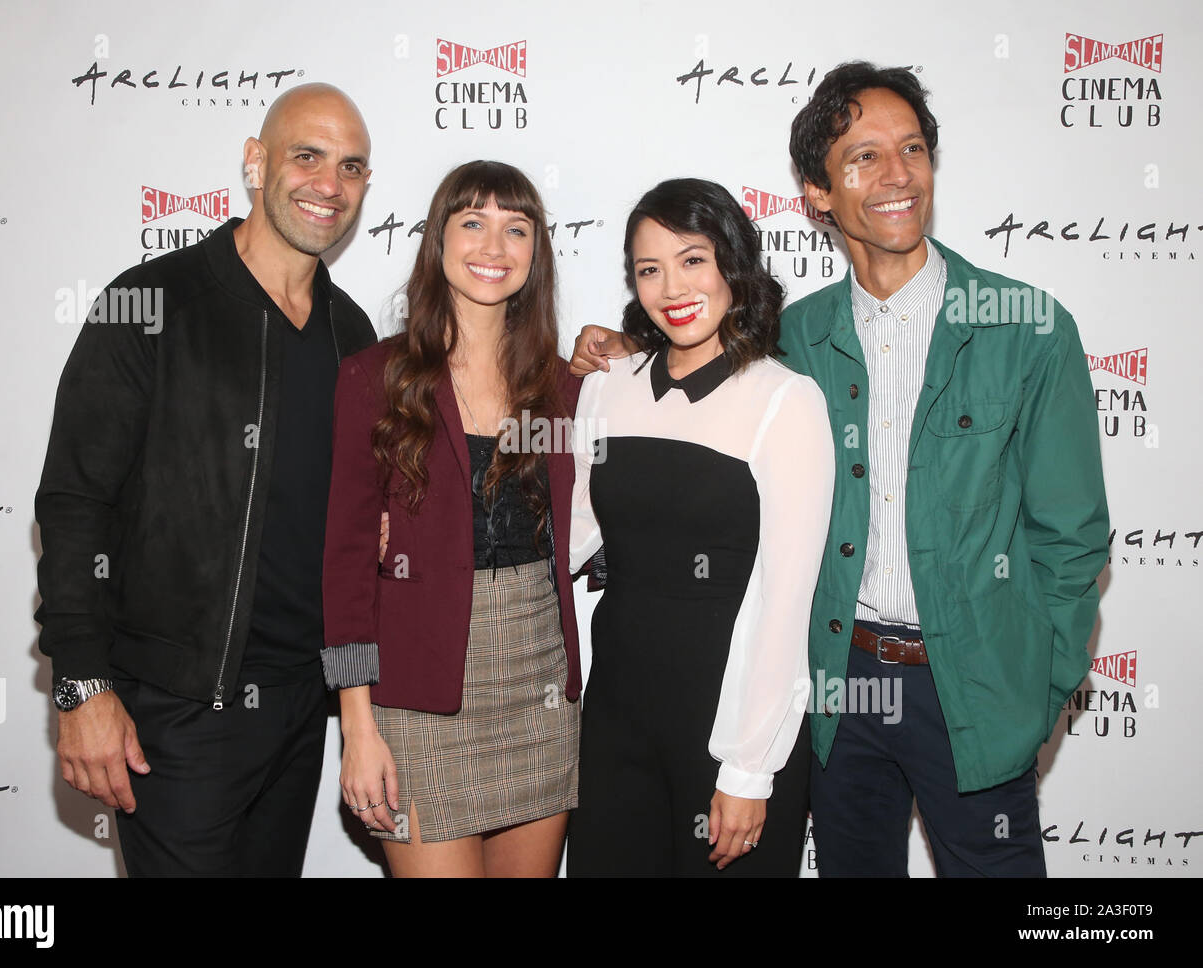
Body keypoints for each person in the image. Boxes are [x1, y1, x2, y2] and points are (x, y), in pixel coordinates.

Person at [572, 63, 1109, 877]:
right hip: (835, 686)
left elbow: (1072, 541)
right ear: (817, 194)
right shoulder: (790, 341)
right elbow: (693, 376)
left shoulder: (1027, 328)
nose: (897, 175)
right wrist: (620, 350)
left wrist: (1035, 692)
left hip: (973, 684)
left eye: (913, 150)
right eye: (863, 157)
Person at [35, 84, 377, 876]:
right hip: (177, 708)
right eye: (307, 155)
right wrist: (80, 686)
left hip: (298, 706)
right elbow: (75, 504)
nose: (329, 183)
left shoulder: (351, 335)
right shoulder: (150, 302)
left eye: (352, 166)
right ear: (255, 164)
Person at [322, 160, 582, 878]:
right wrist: (357, 725)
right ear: (438, 241)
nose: (493, 246)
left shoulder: (564, 389)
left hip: (538, 694)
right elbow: (345, 564)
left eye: (515, 228)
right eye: (473, 222)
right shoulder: (375, 379)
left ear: (536, 254)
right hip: (415, 702)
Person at [566, 179, 833, 876]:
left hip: (729, 724)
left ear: (733, 265)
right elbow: (565, 540)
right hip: (614, 720)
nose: (671, 286)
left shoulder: (786, 399)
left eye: (693, 260)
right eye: (648, 269)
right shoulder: (606, 387)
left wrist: (748, 769)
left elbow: (784, 601)